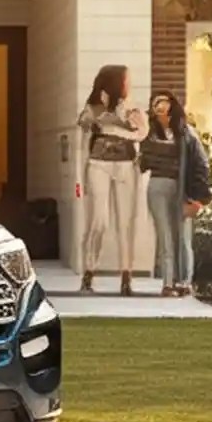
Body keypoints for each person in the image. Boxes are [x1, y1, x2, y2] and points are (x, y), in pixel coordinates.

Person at [76, 65, 150, 295]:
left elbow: (142, 132)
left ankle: (126, 276)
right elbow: (83, 139)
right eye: (126, 80)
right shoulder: (93, 109)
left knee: (126, 222)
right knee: (99, 221)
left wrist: (121, 125)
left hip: (126, 165)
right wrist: (79, 179)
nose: (129, 84)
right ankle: (89, 271)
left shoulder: (132, 107)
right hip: (98, 164)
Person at [138, 90, 212, 296]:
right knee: (165, 236)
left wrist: (199, 199)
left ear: (172, 107)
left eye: (163, 103)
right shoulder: (149, 133)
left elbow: (201, 164)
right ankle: (168, 283)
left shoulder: (186, 133)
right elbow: (141, 163)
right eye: (156, 104)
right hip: (157, 186)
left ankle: (184, 282)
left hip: (181, 188)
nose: (160, 108)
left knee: (183, 235)